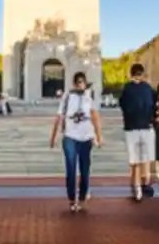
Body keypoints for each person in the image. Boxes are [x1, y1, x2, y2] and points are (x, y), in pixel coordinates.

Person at [49, 71, 103, 212]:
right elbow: (59, 117)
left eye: (82, 82)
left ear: (85, 83)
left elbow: (95, 117)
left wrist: (99, 136)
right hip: (70, 137)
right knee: (71, 169)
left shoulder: (89, 97)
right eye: (77, 82)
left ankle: (83, 194)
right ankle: (72, 199)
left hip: (86, 138)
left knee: (85, 170)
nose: (80, 84)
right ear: (74, 83)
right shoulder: (67, 97)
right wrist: (53, 136)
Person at [117, 63, 157, 201]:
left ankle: (136, 187)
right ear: (142, 74)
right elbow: (155, 104)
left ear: (131, 74)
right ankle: (146, 183)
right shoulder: (148, 88)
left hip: (131, 127)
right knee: (145, 158)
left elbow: (122, 104)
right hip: (146, 127)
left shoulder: (127, 89)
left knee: (134, 161)